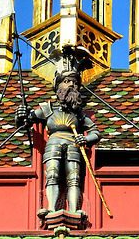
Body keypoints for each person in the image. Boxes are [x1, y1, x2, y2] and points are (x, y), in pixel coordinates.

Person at [18, 51, 99, 215]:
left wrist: (85, 138)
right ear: (58, 86)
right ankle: (52, 208)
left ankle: (75, 210)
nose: (71, 85)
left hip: (73, 144)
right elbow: (26, 122)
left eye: (75, 82)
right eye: (67, 81)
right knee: (52, 174)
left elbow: (96, 132)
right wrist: (20, 115)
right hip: (53, 144)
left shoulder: (79, 115)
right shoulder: (48, 109)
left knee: (74, 179)